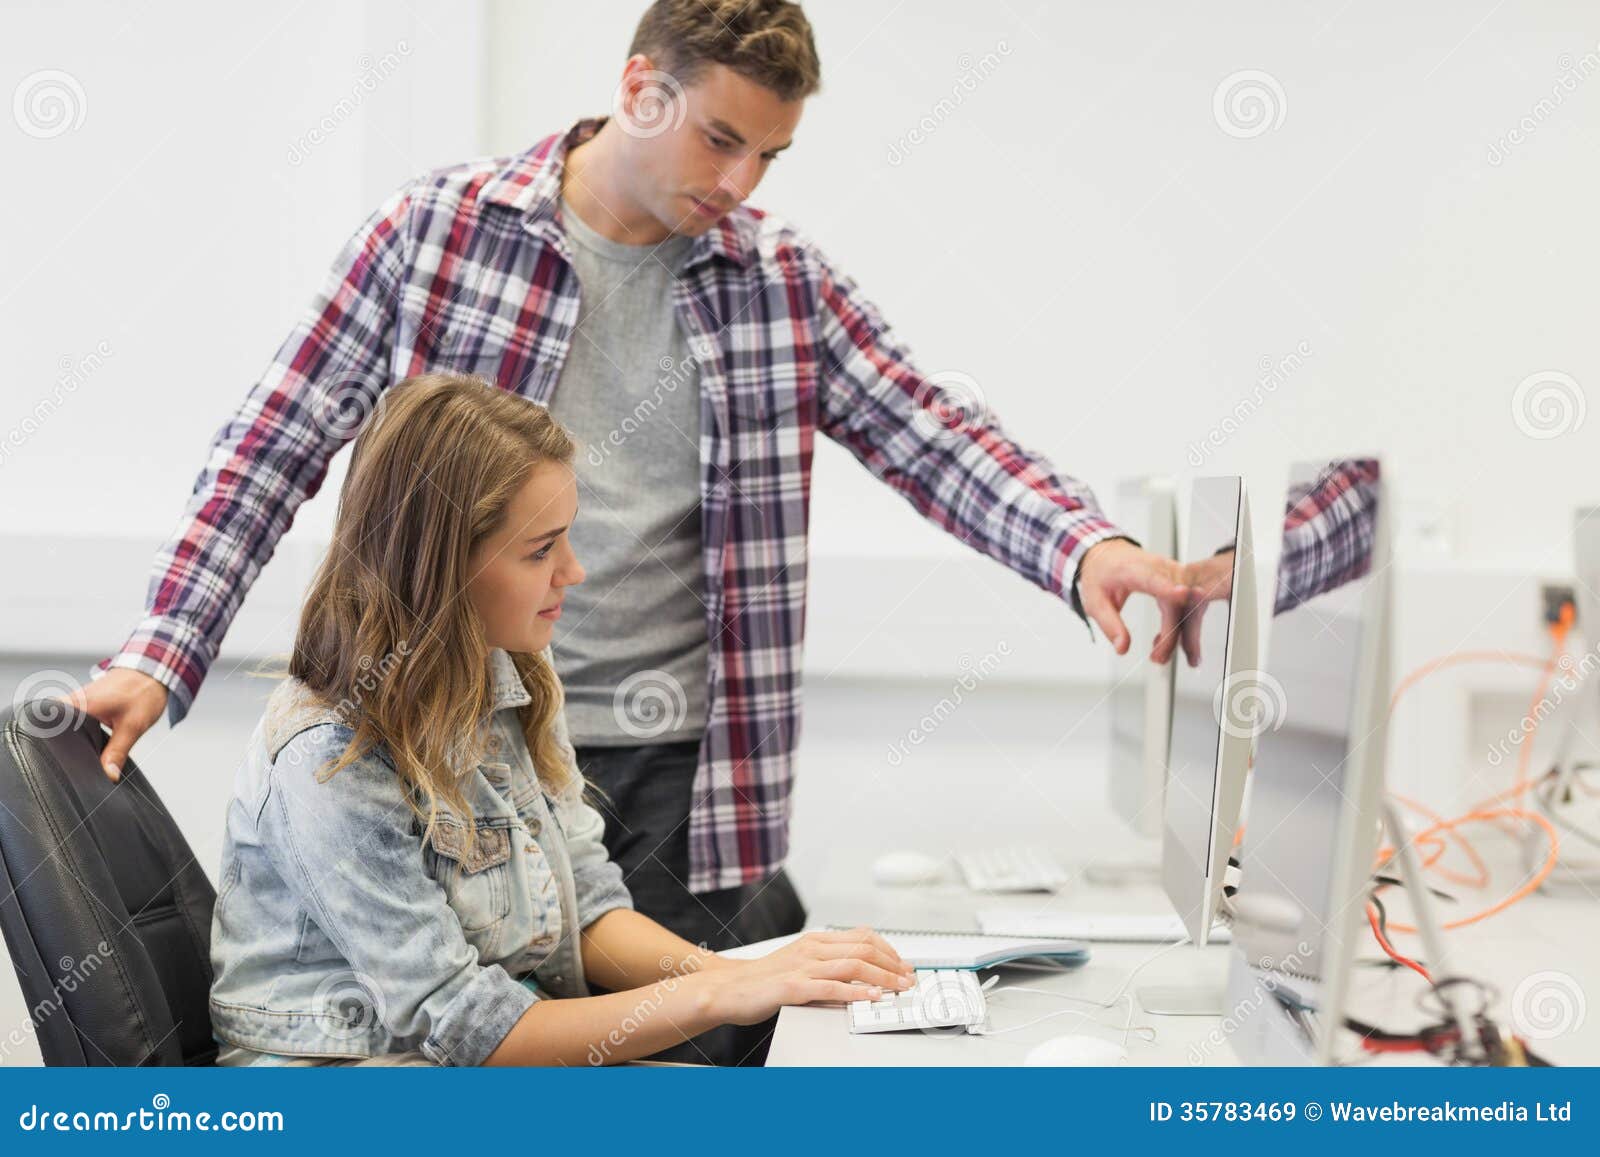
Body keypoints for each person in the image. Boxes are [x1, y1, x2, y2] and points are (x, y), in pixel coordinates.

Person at [68, 2, 1191, 1062]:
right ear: (639, 88)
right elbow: (274, 440)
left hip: (655, 763)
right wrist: (161, 649)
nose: (741, 181)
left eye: (770, 156)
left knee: (742, 1036)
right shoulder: (439, 234)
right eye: (719, 140)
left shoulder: (777, 280)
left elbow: (934, 434)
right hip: (439, 723)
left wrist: (1085, 545)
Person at [208, 374, 915, 1067]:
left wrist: (730, 973)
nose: (573, 572)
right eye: (541, 549)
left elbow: (586, 913)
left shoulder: (509, 676)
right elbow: (471, 1027)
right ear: (442, 567)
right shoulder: (328, 753)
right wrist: (726, 994)